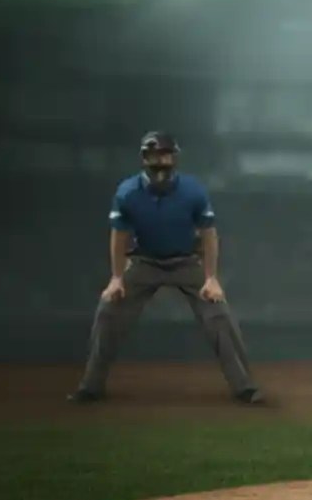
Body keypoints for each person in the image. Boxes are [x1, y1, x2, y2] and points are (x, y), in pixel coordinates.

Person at [67, 131, 263, 405]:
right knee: (108, 310)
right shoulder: (127, 192)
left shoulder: (193, 190)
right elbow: (119, 235)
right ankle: (90, 386)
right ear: (144, 158)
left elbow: (209, 234)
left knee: (219, 314)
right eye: (154, 155)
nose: (160, 161)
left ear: (174, 158)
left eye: (165, 155)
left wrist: (211, 278)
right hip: (144, 261)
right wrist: (117, 277)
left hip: (186, 261)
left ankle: (246, 387)